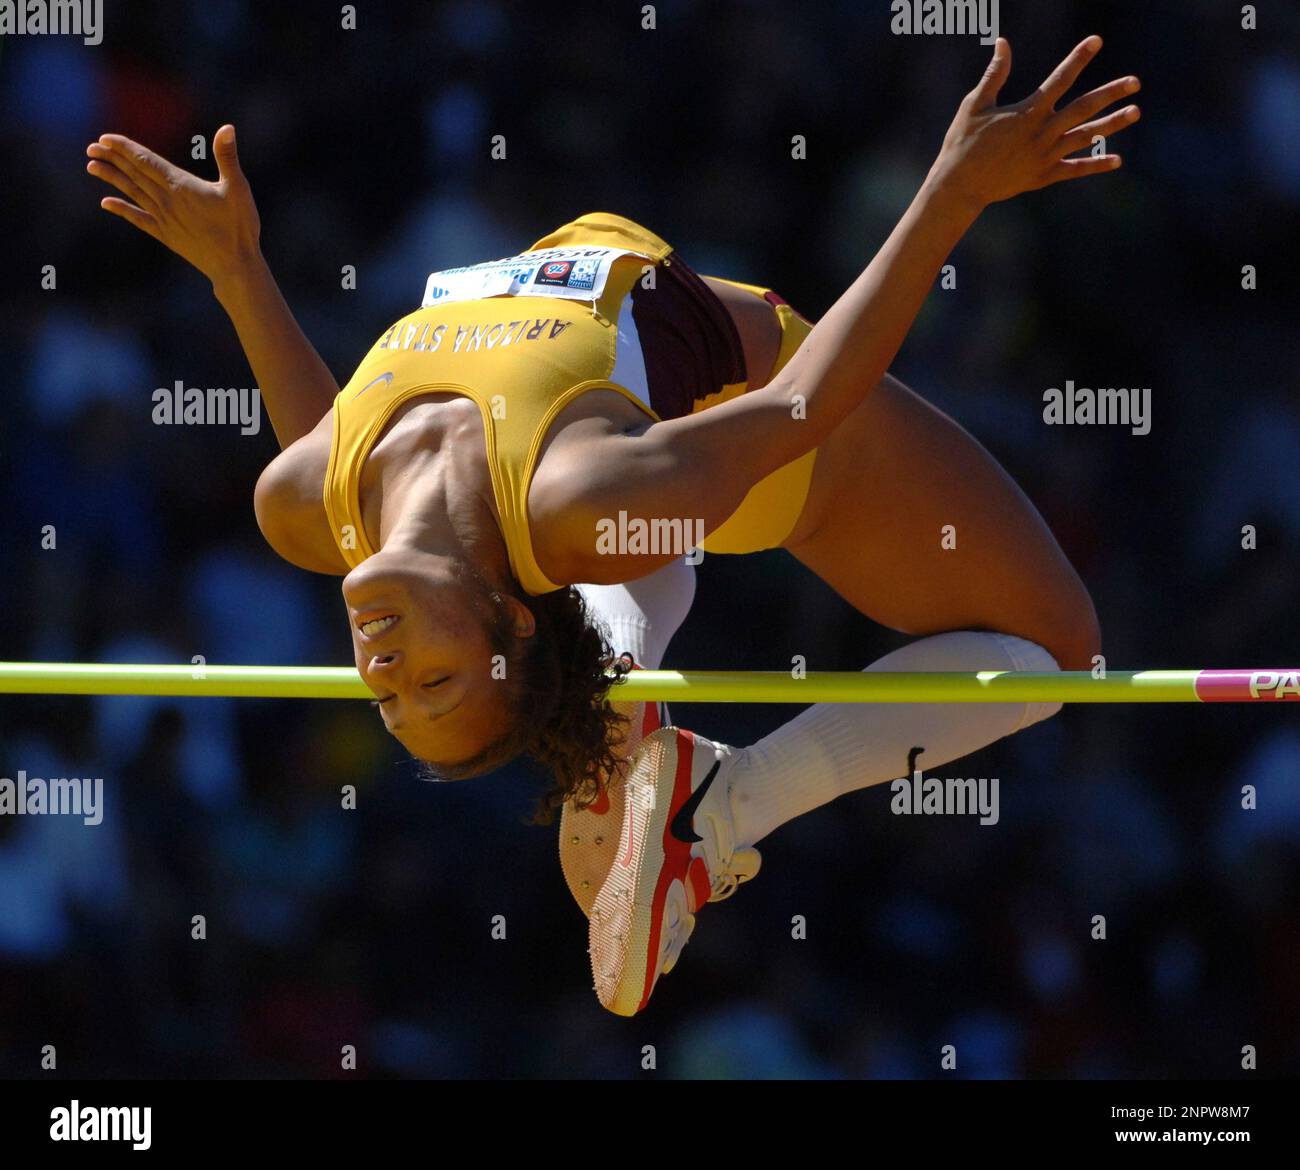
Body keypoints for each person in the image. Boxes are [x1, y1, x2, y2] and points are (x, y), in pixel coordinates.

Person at [86, 36, 1138, 1014]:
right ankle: (724, 806)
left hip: (642, 493)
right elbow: (798, 409)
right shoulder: (576, 506)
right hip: (774, 434)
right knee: (1060, 654)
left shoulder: (305, 506)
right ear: (503, 615)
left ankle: (629, 732)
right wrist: (951, 193)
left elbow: (326, 437)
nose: (385, 666)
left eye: (389, 694)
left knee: (628, 535)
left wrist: (237, 271)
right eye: (436, 682)